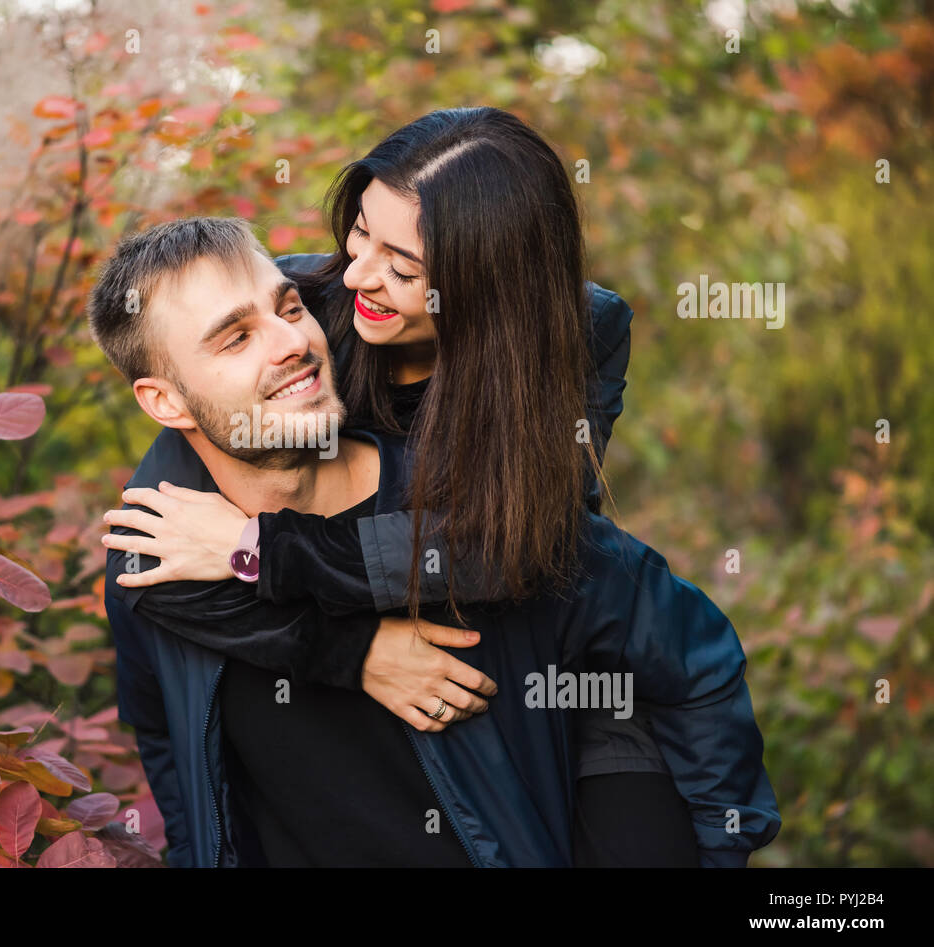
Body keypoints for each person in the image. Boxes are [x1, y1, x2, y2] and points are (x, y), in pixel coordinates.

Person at [103, 108, 719, 866]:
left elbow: (496, 550)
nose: (358, 275)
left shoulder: (574, 339)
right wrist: (355, 651)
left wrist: (258, 549)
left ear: (484, 284)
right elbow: (146, 561)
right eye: (359, 232)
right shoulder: (300, 308)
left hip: (567, 681)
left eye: (402, 267)